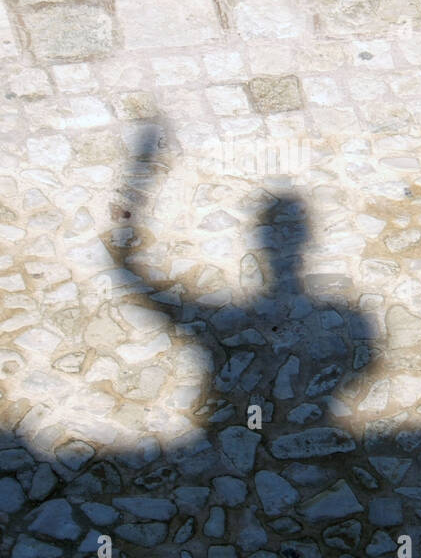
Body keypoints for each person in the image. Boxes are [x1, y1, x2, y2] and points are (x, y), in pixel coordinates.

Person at [114, 123, 375, 442]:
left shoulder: (230, 317)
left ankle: (256, 428)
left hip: (238, 427)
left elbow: (149, 290)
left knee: (252, 422)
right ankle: (258, 428)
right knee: (256, 422)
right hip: (307, 427)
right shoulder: (347, 316)